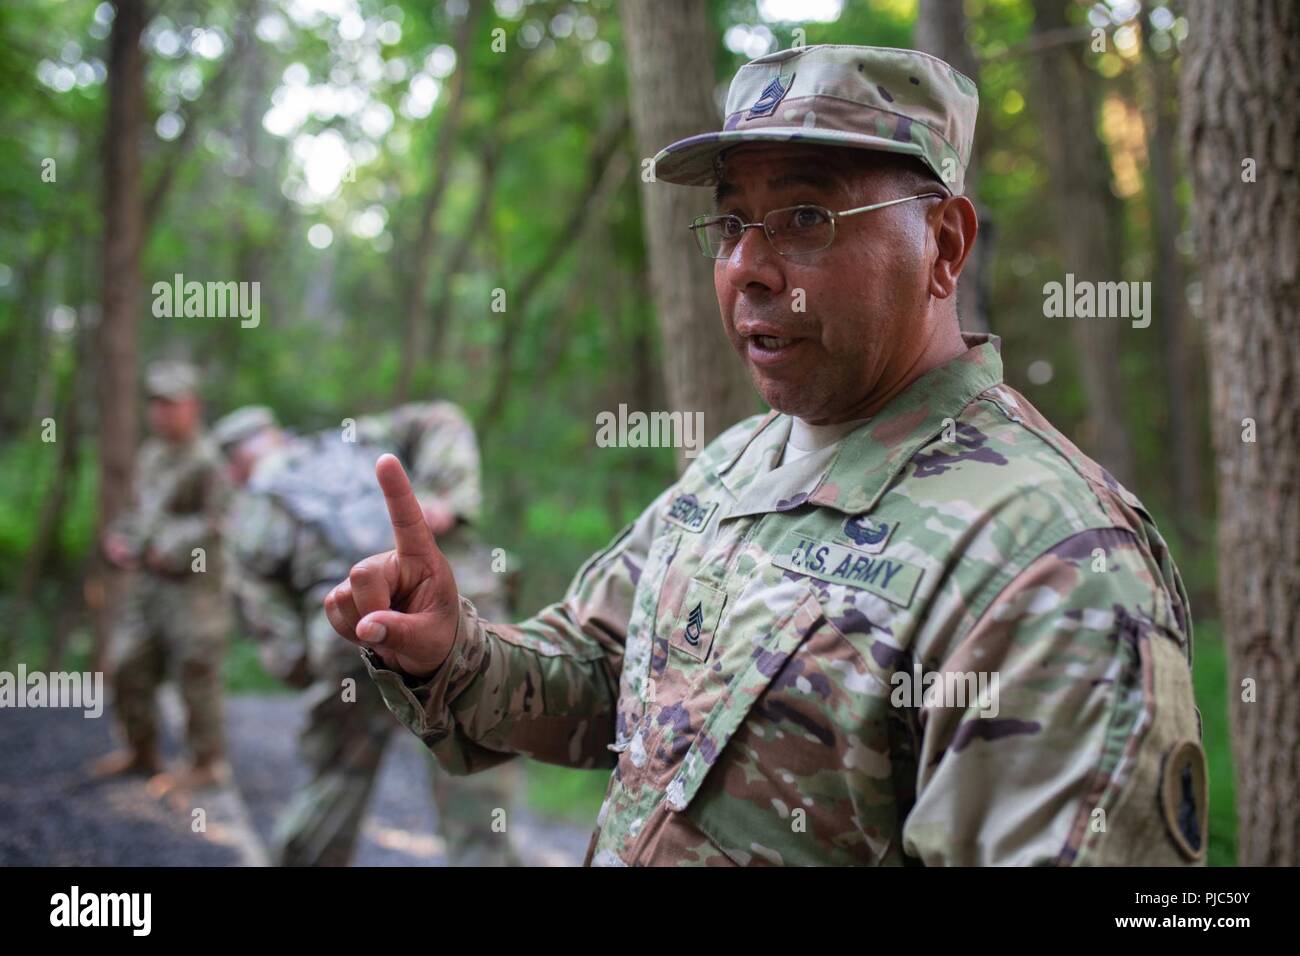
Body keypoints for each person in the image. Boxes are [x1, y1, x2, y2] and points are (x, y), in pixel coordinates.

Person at [324, 45, 1207, 866]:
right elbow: (602, 678)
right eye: (732, 221)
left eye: (805, 217)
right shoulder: (737, 464)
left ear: (942, 246)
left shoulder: (1049, 565)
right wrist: (449, 653)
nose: (747, 265)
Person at [214, 402, 519, 867]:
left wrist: (314, 672)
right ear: (282, 436)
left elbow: (274, 630)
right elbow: (443, 416)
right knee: (476, 770)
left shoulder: (251, 512)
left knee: (336, 779)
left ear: (236, 469)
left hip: (351, 635)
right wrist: (447, 500)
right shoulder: (354, 441)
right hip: (456, 607)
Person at [93, 360, 232, 793]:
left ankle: (205, 763)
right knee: (126, 664)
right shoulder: (151, 456)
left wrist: (168, 549)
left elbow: (220, 522)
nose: (160, 412)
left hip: (195, 588)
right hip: (149, 586)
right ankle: (141, 751)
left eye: (171, 403)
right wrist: (120, 539)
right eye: (155, 403)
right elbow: (142, 513)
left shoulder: (209, 460)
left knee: (195, 674)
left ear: (193, 406)